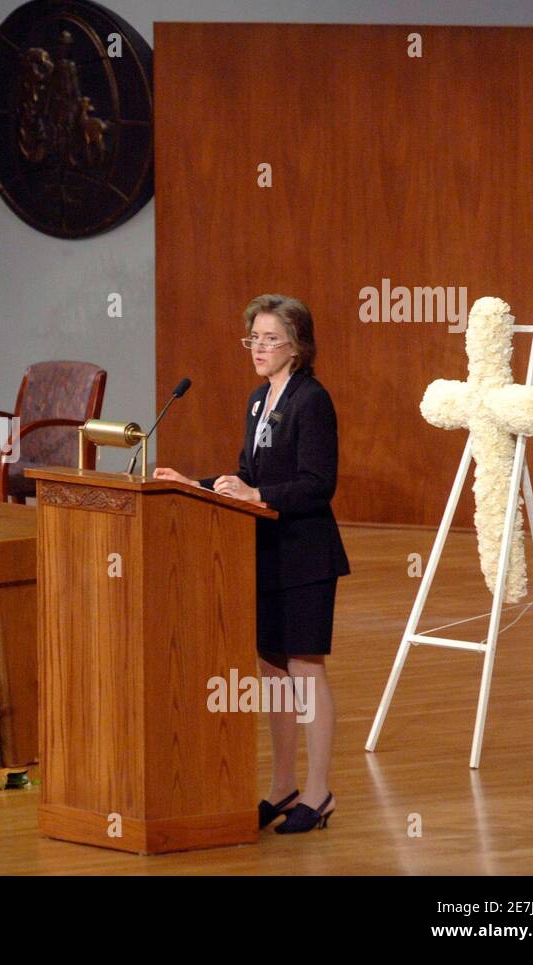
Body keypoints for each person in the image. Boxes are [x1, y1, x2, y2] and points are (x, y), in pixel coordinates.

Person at [154, 294, 349, 834]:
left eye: (269, 339)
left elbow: (317, 484)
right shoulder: (258, 399)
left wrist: (256, 491)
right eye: (253, 338)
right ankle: (282, 786)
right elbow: (242, 478)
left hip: (306, 554)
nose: (258, 349)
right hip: (263, 552)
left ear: (297, 347)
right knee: (272, 673)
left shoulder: (313, 401)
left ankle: (319, 791)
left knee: (305, 670)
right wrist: (188, 484)